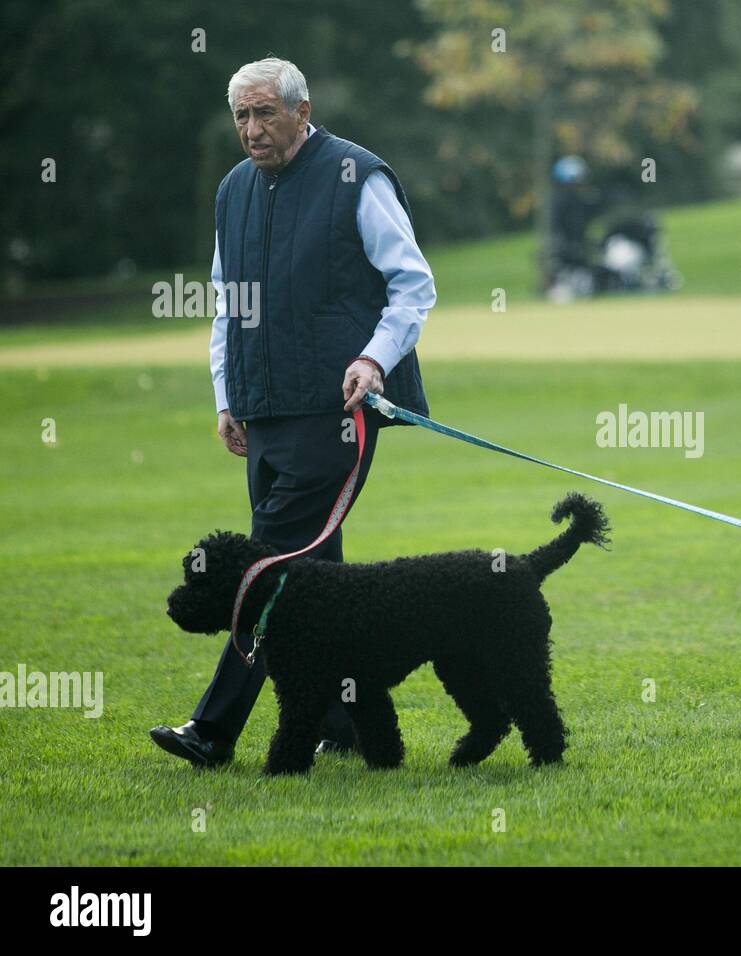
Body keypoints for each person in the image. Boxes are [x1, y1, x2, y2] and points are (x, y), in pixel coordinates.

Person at [149, 57, 435, 767]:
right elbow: (227, 305)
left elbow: (413, 285)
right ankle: (343, 724)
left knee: (265, 567)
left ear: (301, 111)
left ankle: (213, 729)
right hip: (263, 412)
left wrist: (373, 359)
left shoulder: (357, 178)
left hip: (339, 412)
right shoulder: (233, 191)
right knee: (315, 577)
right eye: (241, 116)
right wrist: (227, 396)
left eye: (265, 113)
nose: (251, 129)